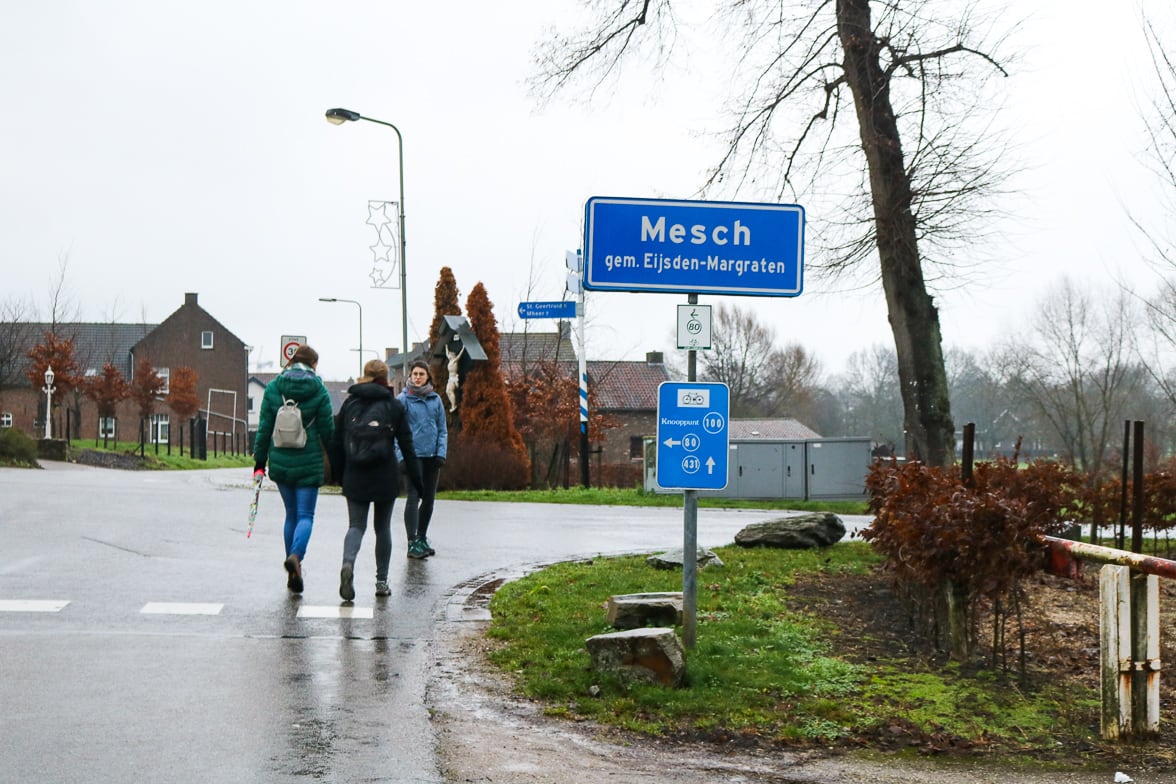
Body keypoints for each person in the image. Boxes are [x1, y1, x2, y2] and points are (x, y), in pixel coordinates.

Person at [331, 359, 424, 601]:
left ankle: (348, 564)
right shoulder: (393, 406)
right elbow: (407, 445)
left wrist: (339, 475)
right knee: (382, 528)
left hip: (355, 474)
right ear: (385, 378)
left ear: (365, 376)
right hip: (384, 474)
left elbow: (336, 441)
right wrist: (417, 480)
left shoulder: (350, 403)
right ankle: (381, 581)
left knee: (356, 526)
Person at [253, 345, 335, 595]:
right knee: (305, 515)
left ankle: (292, 569)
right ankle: (296, 557)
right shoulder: (319, 390)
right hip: (308, 461)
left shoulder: (273, 388)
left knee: (290, 515)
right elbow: (328, 431)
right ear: (313, 364)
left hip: (279, 460)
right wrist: (336, 460)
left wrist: (259, 462)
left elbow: (264, 427)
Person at [397, 358, 448, 559]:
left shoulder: (435, 400)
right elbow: (395, 432)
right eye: (415, 374)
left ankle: (422, 537)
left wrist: (441, 453)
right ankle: (412, 542)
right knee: (413, 496)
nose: (417, 377)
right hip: (412, 456)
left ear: (428, 377)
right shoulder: (402, 400)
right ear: (410, 376)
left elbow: (442, 429)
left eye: (421, 374)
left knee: (429, 499)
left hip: (432, 457)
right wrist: (400, 456)